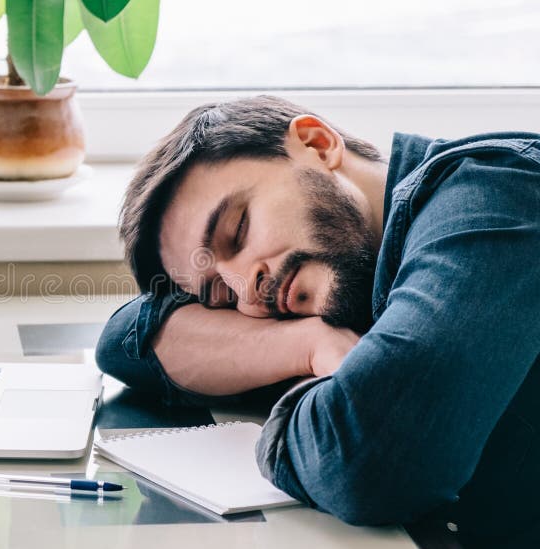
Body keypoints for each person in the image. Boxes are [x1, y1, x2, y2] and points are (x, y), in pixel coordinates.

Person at [95, 96, 540, 548]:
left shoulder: (495, 194)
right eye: (222, 295)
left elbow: (367, 461)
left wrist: (308, 399)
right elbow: (126, 340)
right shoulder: (350, 283)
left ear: (317, 143)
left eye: (238, 231)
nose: (248, 290)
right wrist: (305, 345)